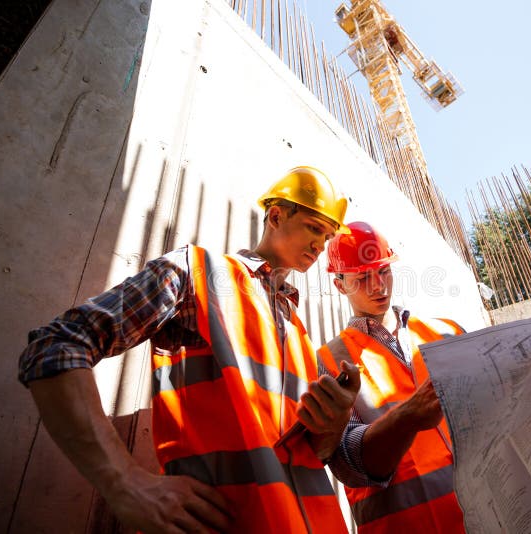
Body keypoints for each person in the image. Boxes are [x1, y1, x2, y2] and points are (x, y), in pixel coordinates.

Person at [18, 166, 362, 534]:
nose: (319, 245)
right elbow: (57, 344)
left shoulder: (296, 327)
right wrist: (124, 482)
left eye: (326, 237)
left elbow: (306, 455)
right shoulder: (198, 272)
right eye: (313, 227)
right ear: (276, 216)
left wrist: (333, 423)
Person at [319, 221, 531, 533]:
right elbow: (348, 464)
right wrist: (407, 417)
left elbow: (512, 412)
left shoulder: (446, 333)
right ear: (341, 284)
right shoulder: (331, 360)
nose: (378, 286)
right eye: (363, 277)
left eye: (384, 271)